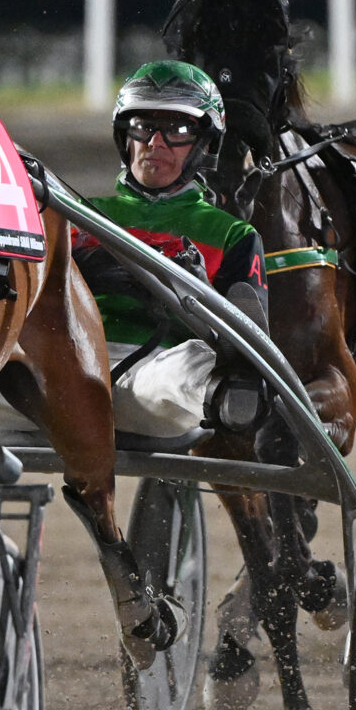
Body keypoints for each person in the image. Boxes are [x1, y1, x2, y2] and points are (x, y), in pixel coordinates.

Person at [69, 60, 272, 441]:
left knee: (192, 361)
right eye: (143, 128)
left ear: (205, 144)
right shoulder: (74, 215)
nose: (154, 143)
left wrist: (193, 296)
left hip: (154, 380)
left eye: (177, 131)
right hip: (64, 373)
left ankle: (236, 386)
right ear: (124, 138)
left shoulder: (233, 235)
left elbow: (254, 337)